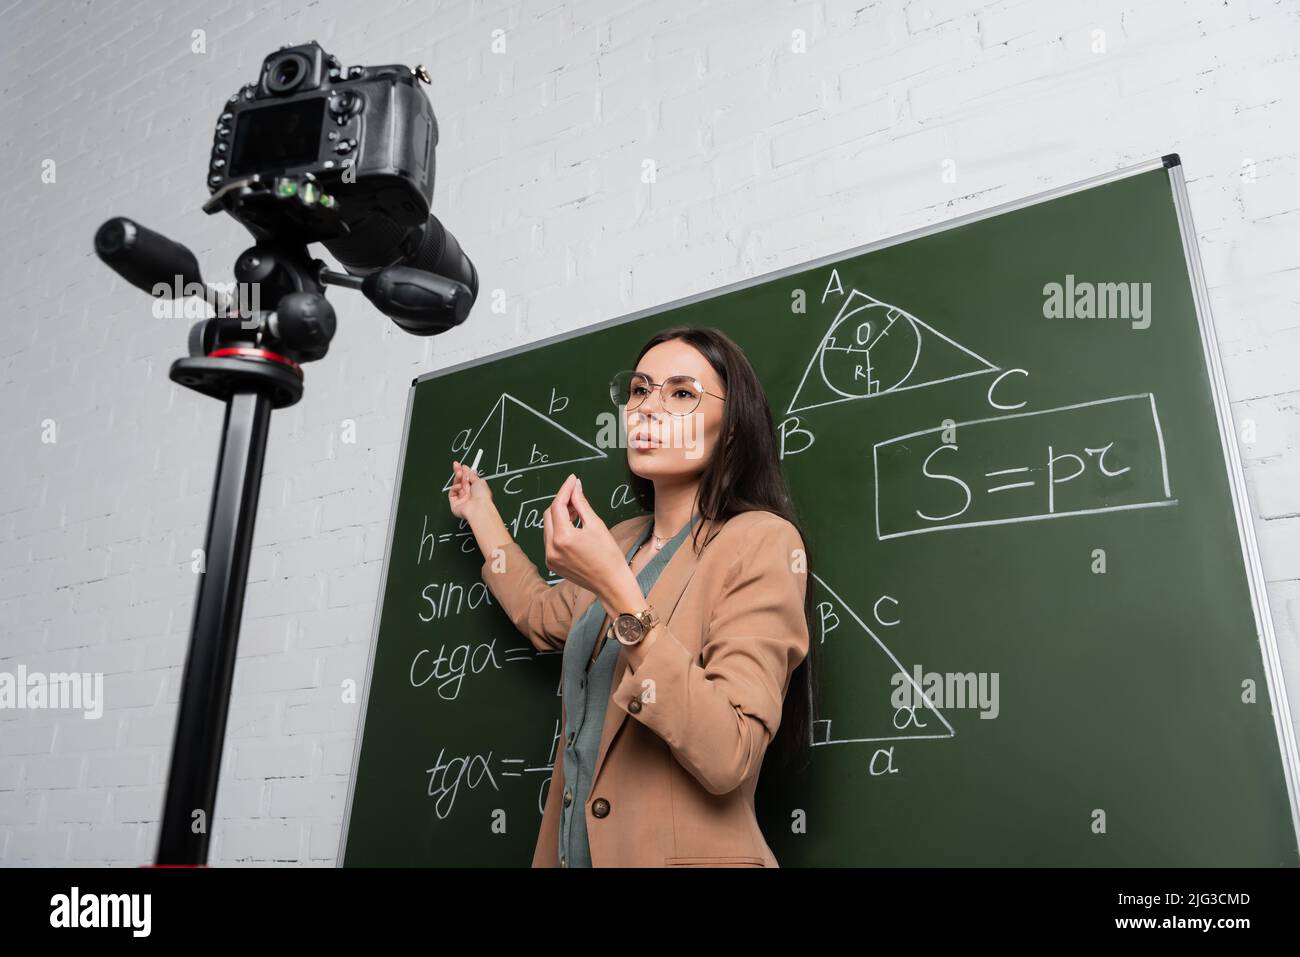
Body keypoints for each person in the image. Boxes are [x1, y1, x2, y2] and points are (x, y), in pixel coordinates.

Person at [448, 326, 818, 867]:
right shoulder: (621, 541)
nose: (648, 408)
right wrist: (480, 512)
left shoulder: (760, 540)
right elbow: (537, 614)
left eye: (682, 393)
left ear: (733, 430)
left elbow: (729, 751)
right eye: (641, 390)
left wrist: (618, 591)